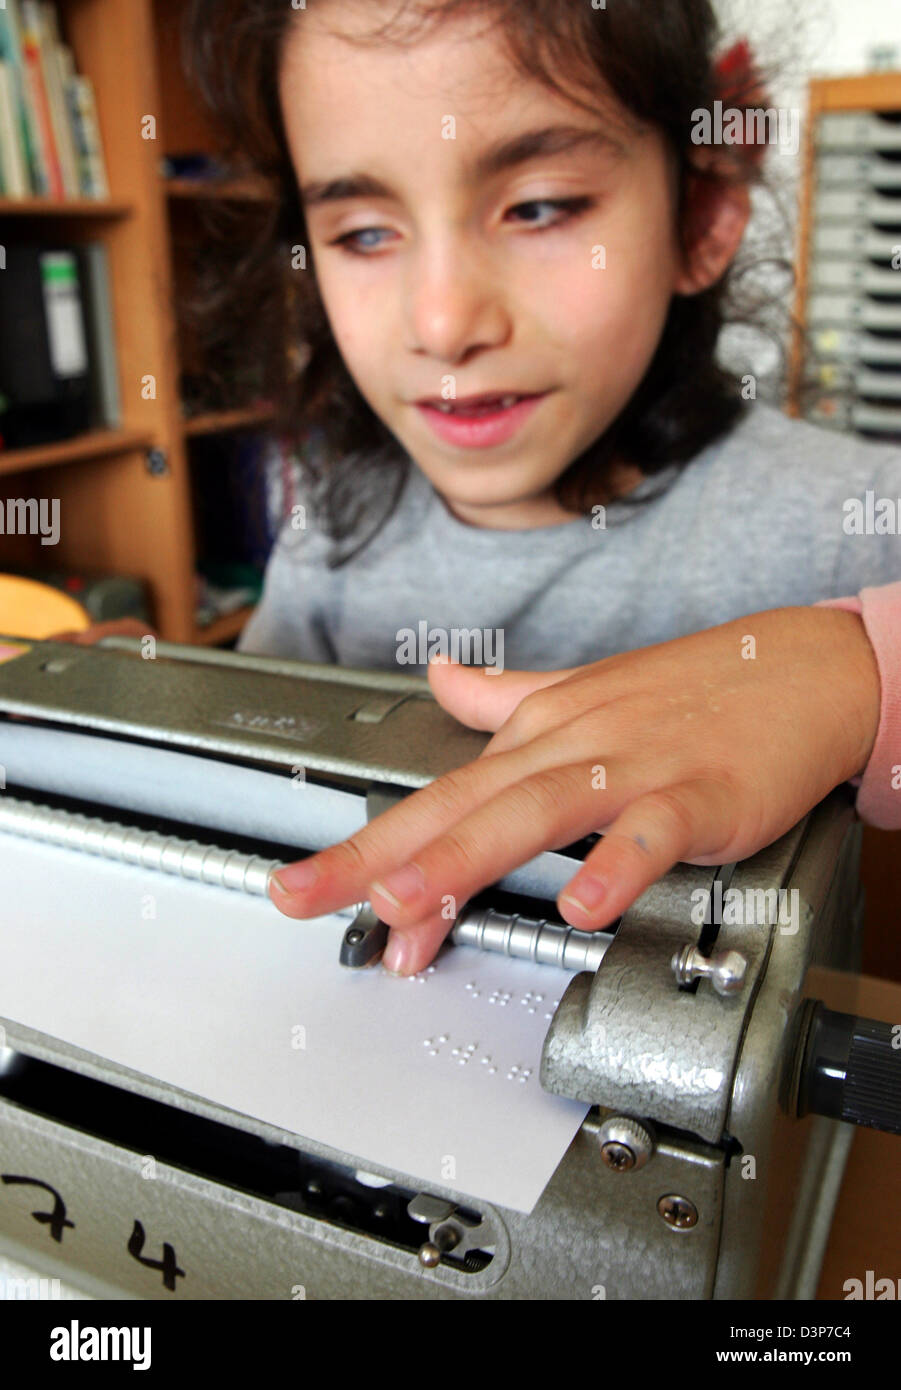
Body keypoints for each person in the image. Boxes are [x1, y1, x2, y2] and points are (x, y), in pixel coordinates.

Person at [77, 0, 901, 976]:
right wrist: (132, 715)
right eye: (364, 232)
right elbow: (260, 759)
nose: (441, 321)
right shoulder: (337, 516)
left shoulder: (856, 519)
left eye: (539, 206)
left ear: (700, 218)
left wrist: (856, 665)